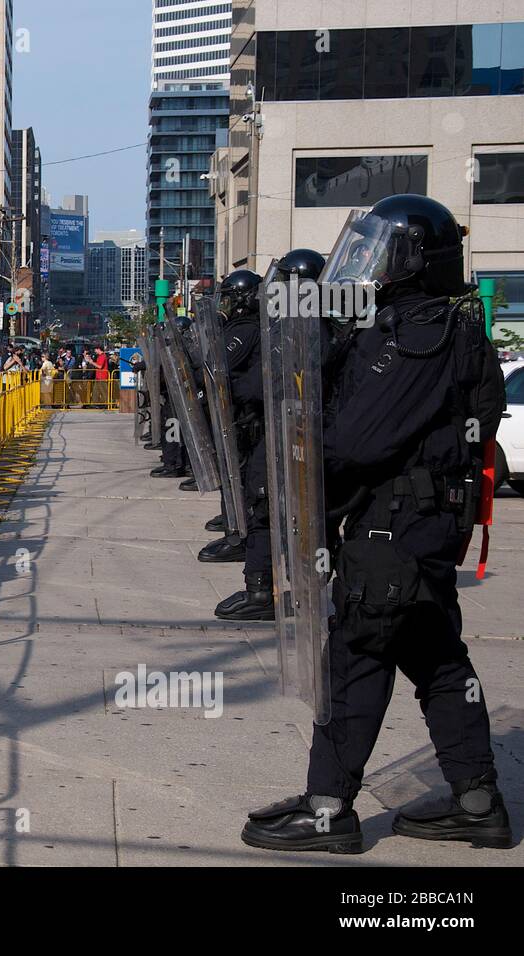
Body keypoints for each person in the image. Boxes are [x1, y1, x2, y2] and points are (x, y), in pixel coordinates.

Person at [242, 195, 511, 854]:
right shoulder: (427, 324)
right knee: (436, 658)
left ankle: (330, 809)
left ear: (414, 260)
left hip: (396, 525)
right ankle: (478, 804)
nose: (368, 264)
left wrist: (305, 452)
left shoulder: (420, 332)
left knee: (357, 656)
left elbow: (357, 443)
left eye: (381, 251)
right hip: (415, 524)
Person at [216, 251, 325, 621]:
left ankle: (263, 589)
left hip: (287, 432)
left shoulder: (302, 330)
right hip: (282, 430)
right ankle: (293, 582)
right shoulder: (292, 327)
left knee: (265, 507)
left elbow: (258, 385)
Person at [196, 269, 263, 563]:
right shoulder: (241, 326)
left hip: (243, 417)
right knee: (232, 474)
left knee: (239, 476)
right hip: (235, 414)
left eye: (230, 300)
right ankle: (233, 524)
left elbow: (214, 365)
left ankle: (239, 534)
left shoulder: (247, 329)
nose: (225, 307)